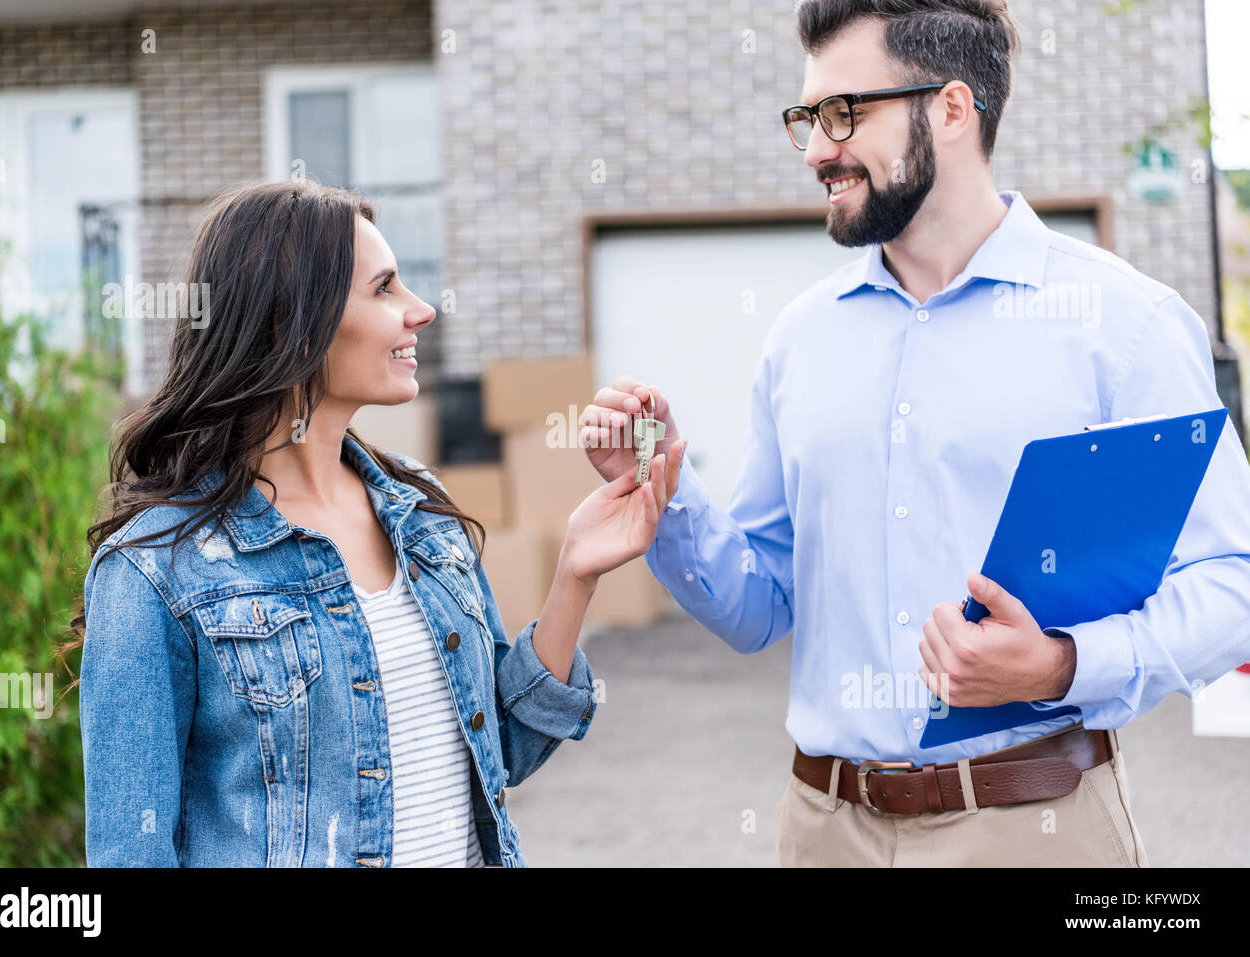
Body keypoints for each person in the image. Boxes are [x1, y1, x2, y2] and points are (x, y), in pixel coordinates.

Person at [582, 0, 1250, 866]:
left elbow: (1231, 582)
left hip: (1034, 826)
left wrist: (1062, 665)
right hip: (825, 829)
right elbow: (757, 606)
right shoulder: (800, 340)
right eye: (808, 119)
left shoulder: (1124, 326)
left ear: (951, 108)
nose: (818, 149)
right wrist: (665, 490)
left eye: (843, 113)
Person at [69, 179, 685, 867]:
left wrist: (576, 571)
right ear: (290, 323)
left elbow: (503, 751)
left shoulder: (422, 511)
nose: (420, 311)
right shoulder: (153, 571)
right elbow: (132, 854)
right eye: (385, 288)